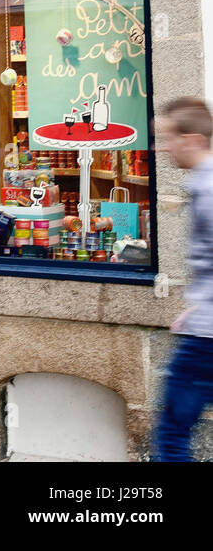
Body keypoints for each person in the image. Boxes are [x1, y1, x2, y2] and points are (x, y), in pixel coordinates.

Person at [153, 96, 213, 460]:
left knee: (173, 432)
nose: (161, 147)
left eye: (167, 138)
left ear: (192, 140)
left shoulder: (207, 192)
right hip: (203, 324)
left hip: (206, 338)